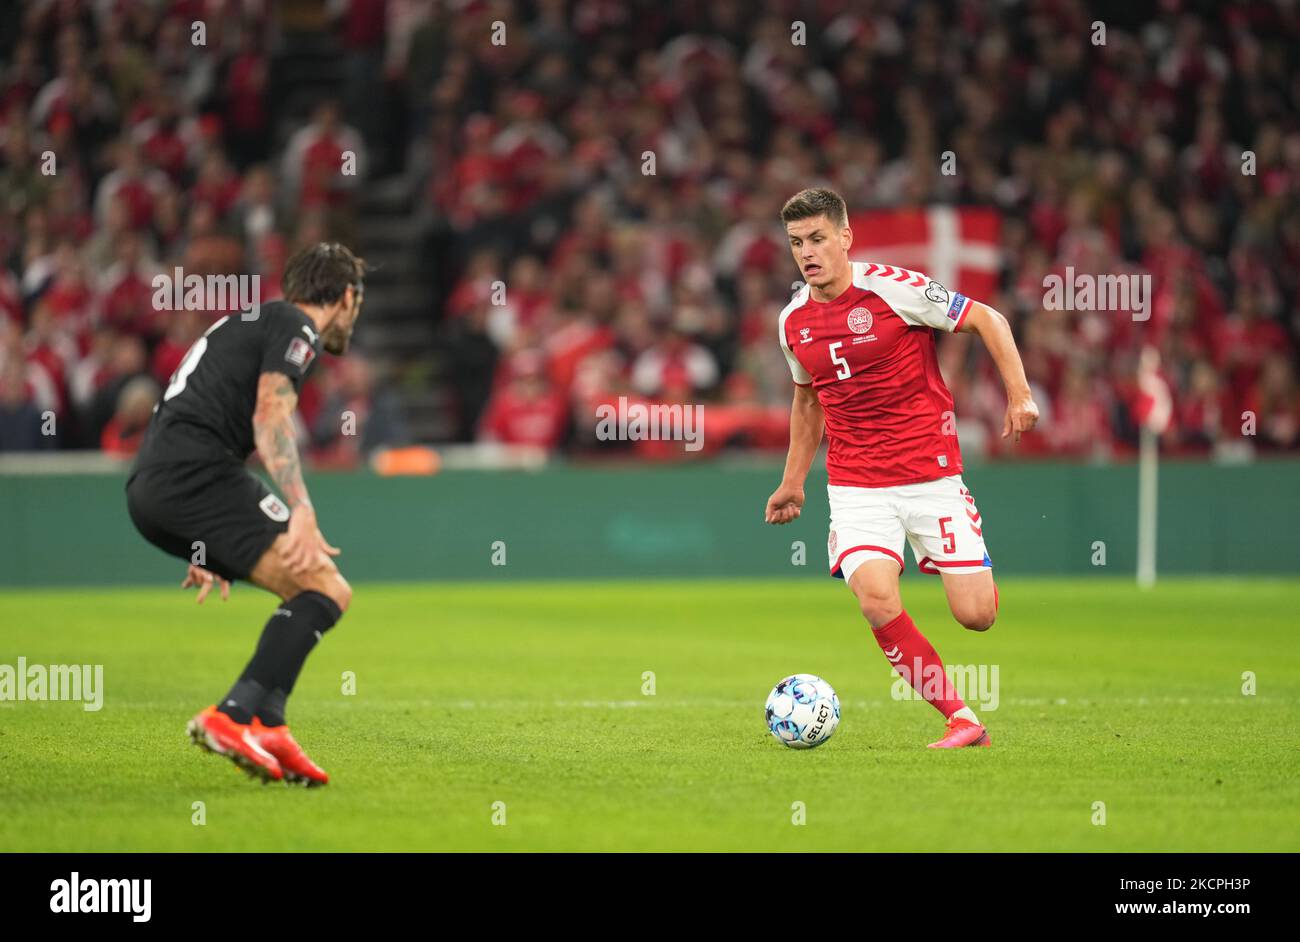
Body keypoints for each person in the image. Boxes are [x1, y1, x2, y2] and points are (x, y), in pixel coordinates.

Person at [764, 188, 1039, 748]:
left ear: (845, 237)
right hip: (856, 485)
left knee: (976, 615)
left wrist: (1020, 395)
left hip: (930, 475)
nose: (807, 252)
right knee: (875, 598)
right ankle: (962, 718)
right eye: (796, 243)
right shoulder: (792, 322)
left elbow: (988, 319)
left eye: (817, 239)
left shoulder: (895, 289)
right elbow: (808, 401)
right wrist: (792, 483)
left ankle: (969, 565)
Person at [125, 242, 367, 784]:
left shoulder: (252, 320)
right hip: (194, 477)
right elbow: (270, 416)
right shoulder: (295, 326)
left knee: (315, 589)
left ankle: (268, 721)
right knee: (327, 588)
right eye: (357, 302)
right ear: (347, 297)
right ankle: (232, 716)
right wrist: (301, 507)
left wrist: (200, 535)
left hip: (159, 484)